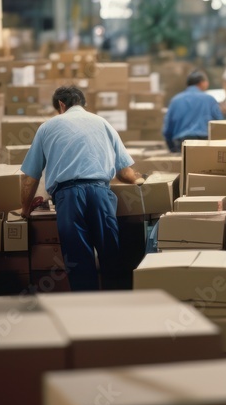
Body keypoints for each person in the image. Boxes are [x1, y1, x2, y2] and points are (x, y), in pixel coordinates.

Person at [20, 86, 141, 292]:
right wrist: (141, 181)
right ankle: (118, 306)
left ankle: (86, 311)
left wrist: (24, 209)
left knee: (78, 259)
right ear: (83, 103)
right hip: (101, 194)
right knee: (110, 254)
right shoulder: (103, 123)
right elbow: (124, 174)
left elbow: (30, 179)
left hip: (69, 197)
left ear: (61, 105)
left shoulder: (47, 127)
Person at [163, 69, 224, 152]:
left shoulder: (175, 100)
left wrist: (172, 149)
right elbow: (220, 125)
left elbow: (167, 130)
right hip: (205, 144)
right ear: (202, 83)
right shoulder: (209, 99)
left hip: (181, 144)